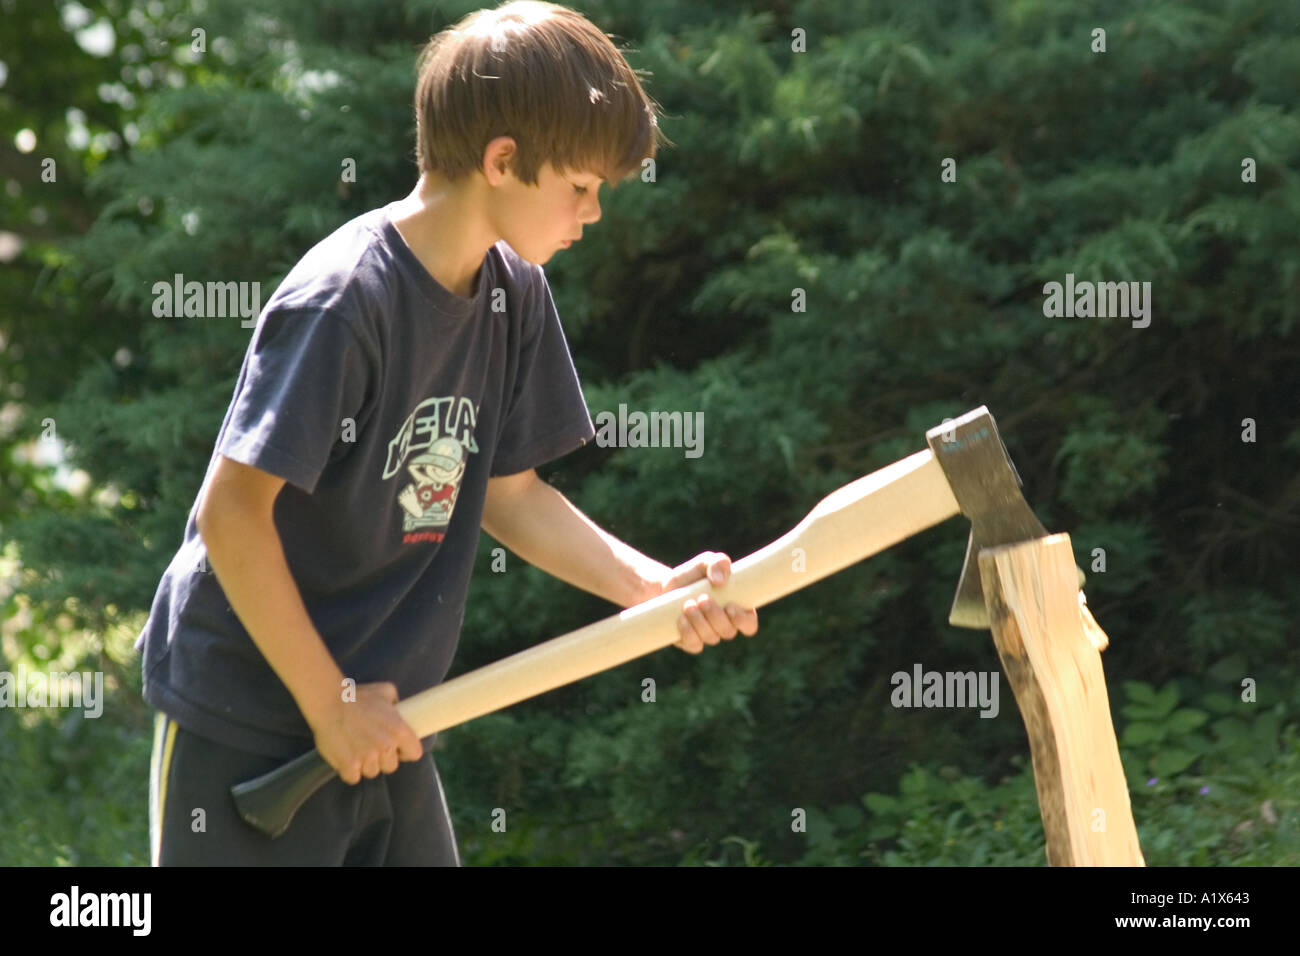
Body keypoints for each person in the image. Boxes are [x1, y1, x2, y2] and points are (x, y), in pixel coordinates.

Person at [136, 0, 759, 866]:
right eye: (581, 187)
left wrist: (651, 590)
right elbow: (231, 515)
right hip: (251, 720)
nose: (595, 213)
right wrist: (329, 704)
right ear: (504, 161)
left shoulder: (513, 293)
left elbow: (512, 495)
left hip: (390, 719)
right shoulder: (344, 301)